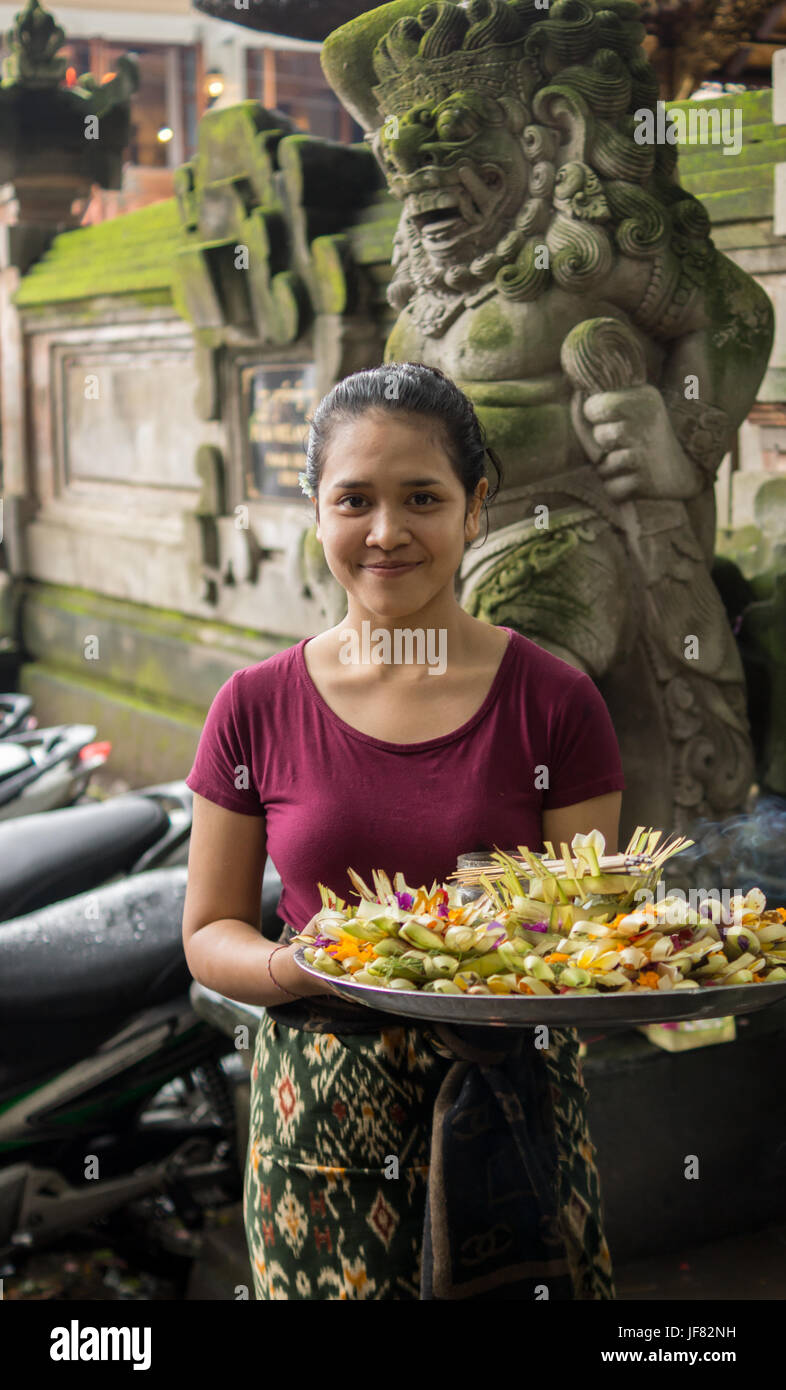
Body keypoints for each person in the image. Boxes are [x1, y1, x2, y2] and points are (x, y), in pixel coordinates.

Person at [182, 361, 626, 1300]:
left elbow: (591, 932)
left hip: (516, 1107)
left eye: (422, 497)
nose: (387, 533)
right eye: (355, 501)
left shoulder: (555, 703)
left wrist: (493, 946)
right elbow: (209, 932)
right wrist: (302, 967)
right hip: (319, 1125)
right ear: (317, 513)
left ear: (475, 509)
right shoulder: (253, 707)